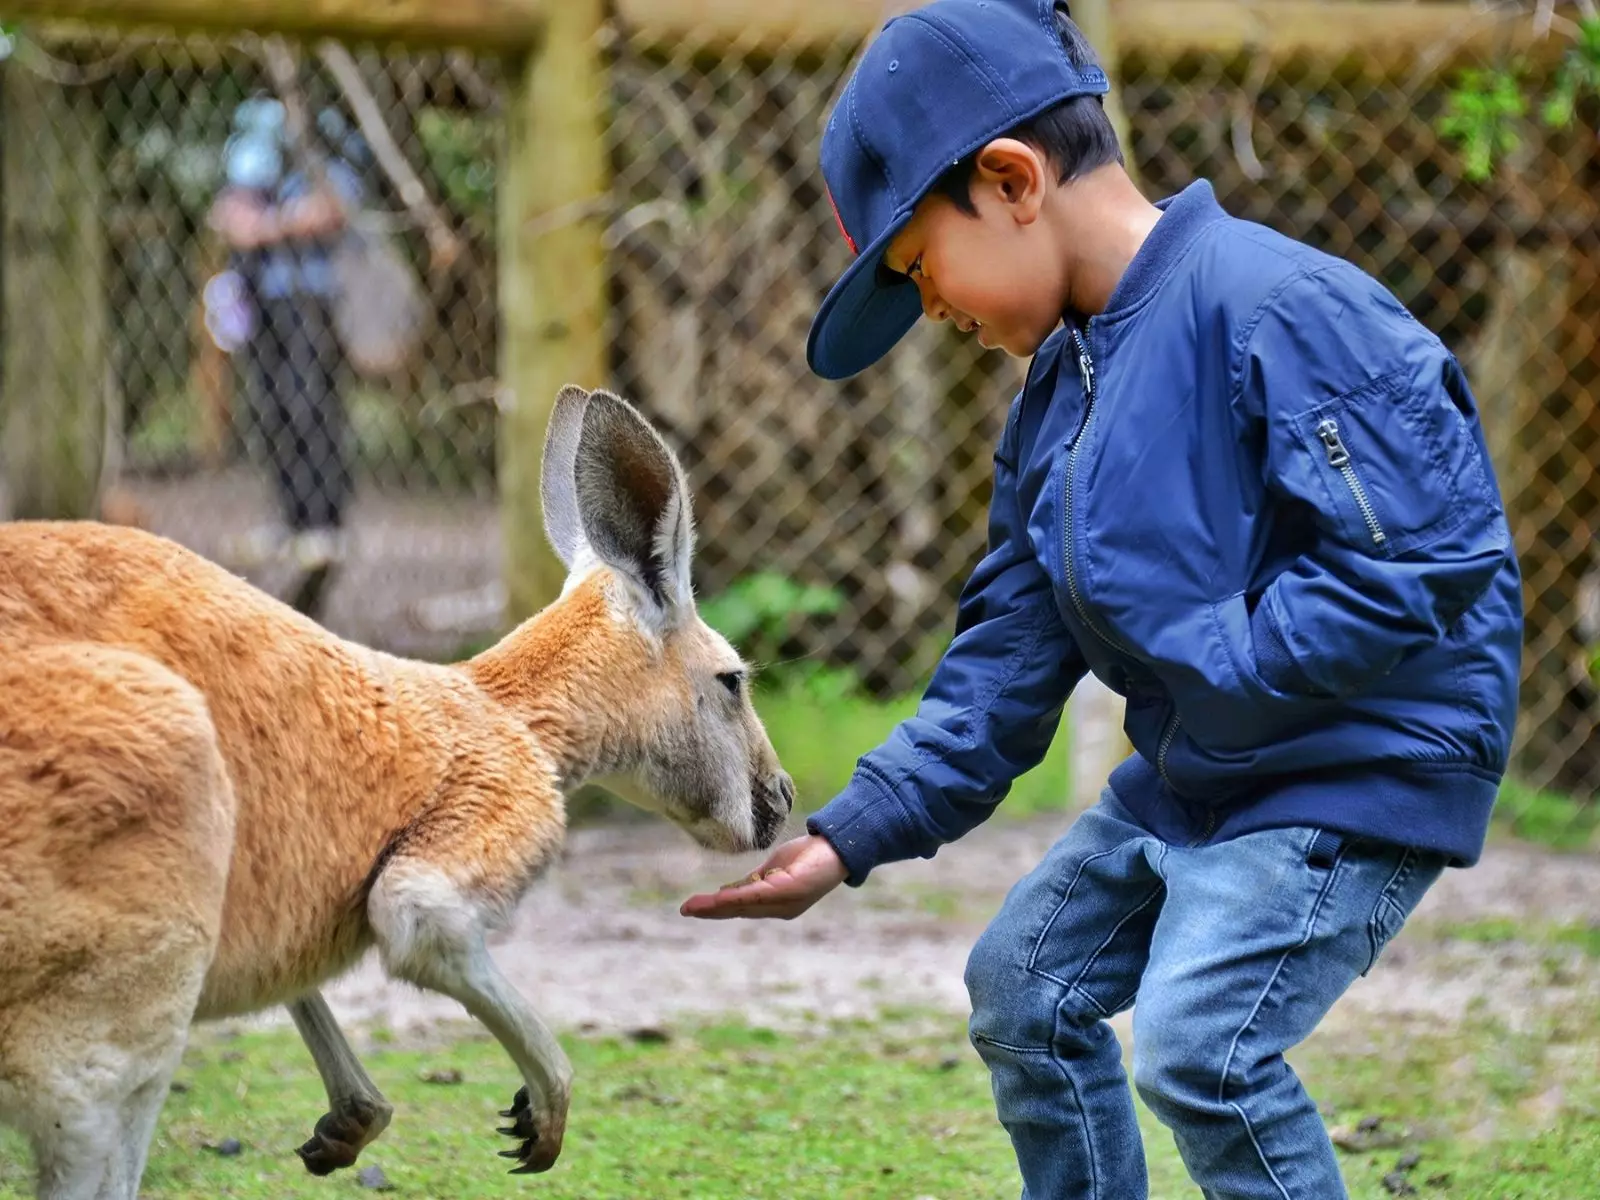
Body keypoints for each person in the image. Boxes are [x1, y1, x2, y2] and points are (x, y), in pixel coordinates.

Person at [681, 3, 1523, 1197]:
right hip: (1207, 774)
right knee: (1024, 989)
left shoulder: (1277, 308)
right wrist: (848, 836)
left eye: (920, 266)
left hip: (1352, 764)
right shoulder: (1059, 394)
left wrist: (1222, 664)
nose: (931, 310)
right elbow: (1010, 655)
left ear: (1012, 180)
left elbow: (1424, 554)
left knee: (1201, 1050)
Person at [209, 96, 367, 615]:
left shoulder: (328, 145)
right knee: (271, 407)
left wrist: (269, 225)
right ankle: (293, 520)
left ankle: (324, 523)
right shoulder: (252, 147)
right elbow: (229, 215)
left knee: (311, 405)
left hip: (312, 297)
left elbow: (333, 210)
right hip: (263, 298)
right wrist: (270, 222)